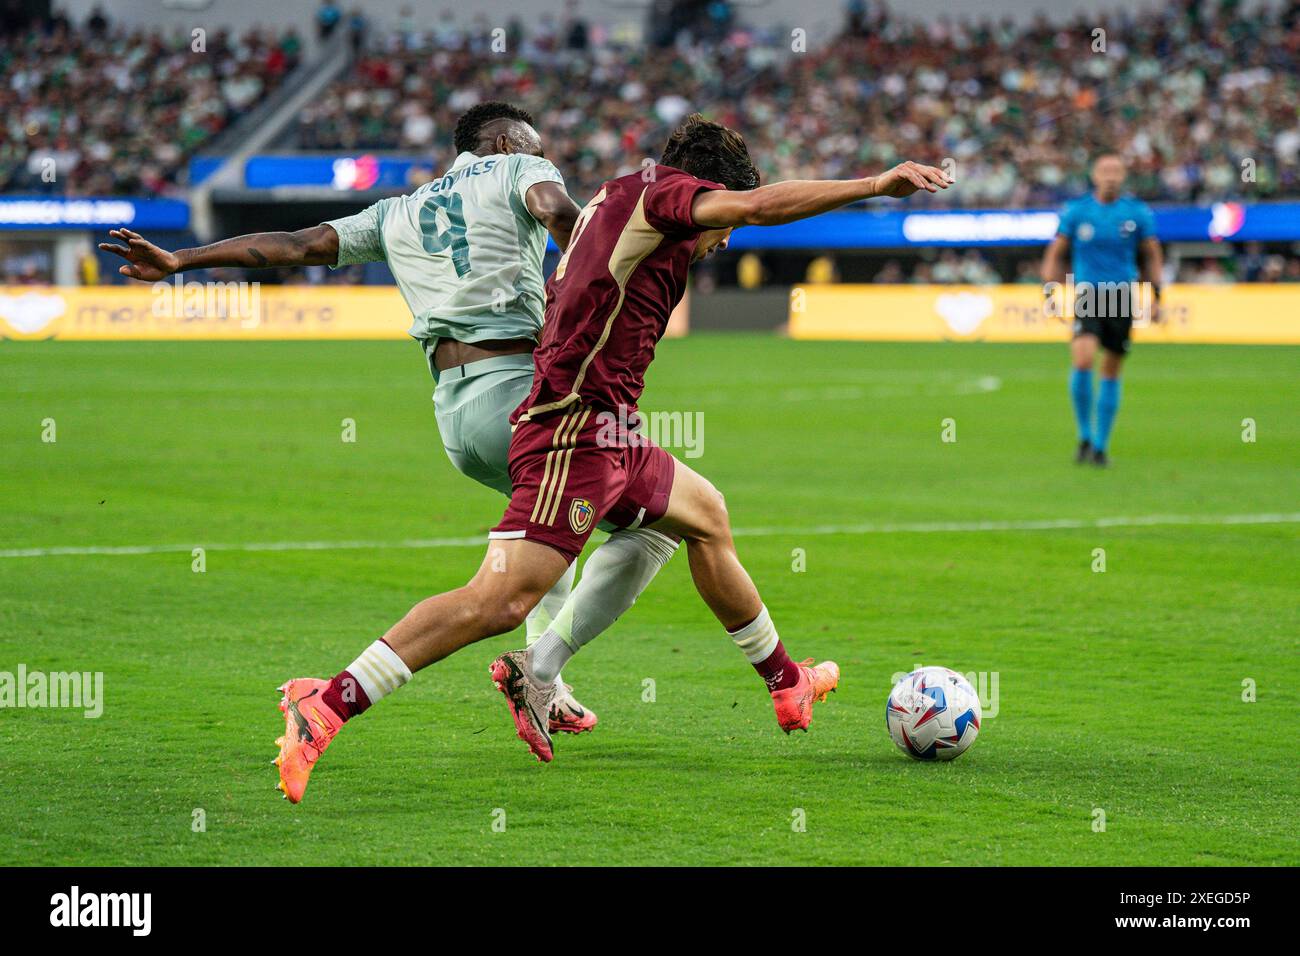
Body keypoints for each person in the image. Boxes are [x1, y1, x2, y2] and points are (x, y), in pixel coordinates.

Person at [270, 113, 953, 801]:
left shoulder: (615, 196)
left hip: (608, 428)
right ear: (706, 193)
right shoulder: (666, 197)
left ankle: (785, 682)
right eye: (721, 228)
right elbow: (757, 205)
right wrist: (876, 182)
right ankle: (327, 703)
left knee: (700, 515)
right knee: (500, 601)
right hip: (574, 429)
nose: (721, 241)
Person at [100, 102, 683, 744]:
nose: (543, 156)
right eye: (533, 145)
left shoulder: (395, 211)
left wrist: (181, 261)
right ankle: (345, 699)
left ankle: (549, 684)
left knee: (551, 534)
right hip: (523, 397)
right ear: (502, 141)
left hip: (458, 419)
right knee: (662, 525)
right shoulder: (519, 166)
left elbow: (298, 245)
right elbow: (558, 214)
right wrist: (609, 267)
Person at [1041, 153, 1163, 467]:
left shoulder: (1136, 212)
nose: (1110, 175)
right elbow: (1056, 252)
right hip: (1088, 294)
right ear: (1094, 174)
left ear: (1123, 176)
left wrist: (1157, 294)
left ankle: (1100, 446)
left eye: (1116, 170)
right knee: (1082, 360)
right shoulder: (1077, 210)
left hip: (1122, 295)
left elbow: (1151, 254)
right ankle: (1083, 435)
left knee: (1110, 368)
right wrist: (1050, 289)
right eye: (1105, 170)